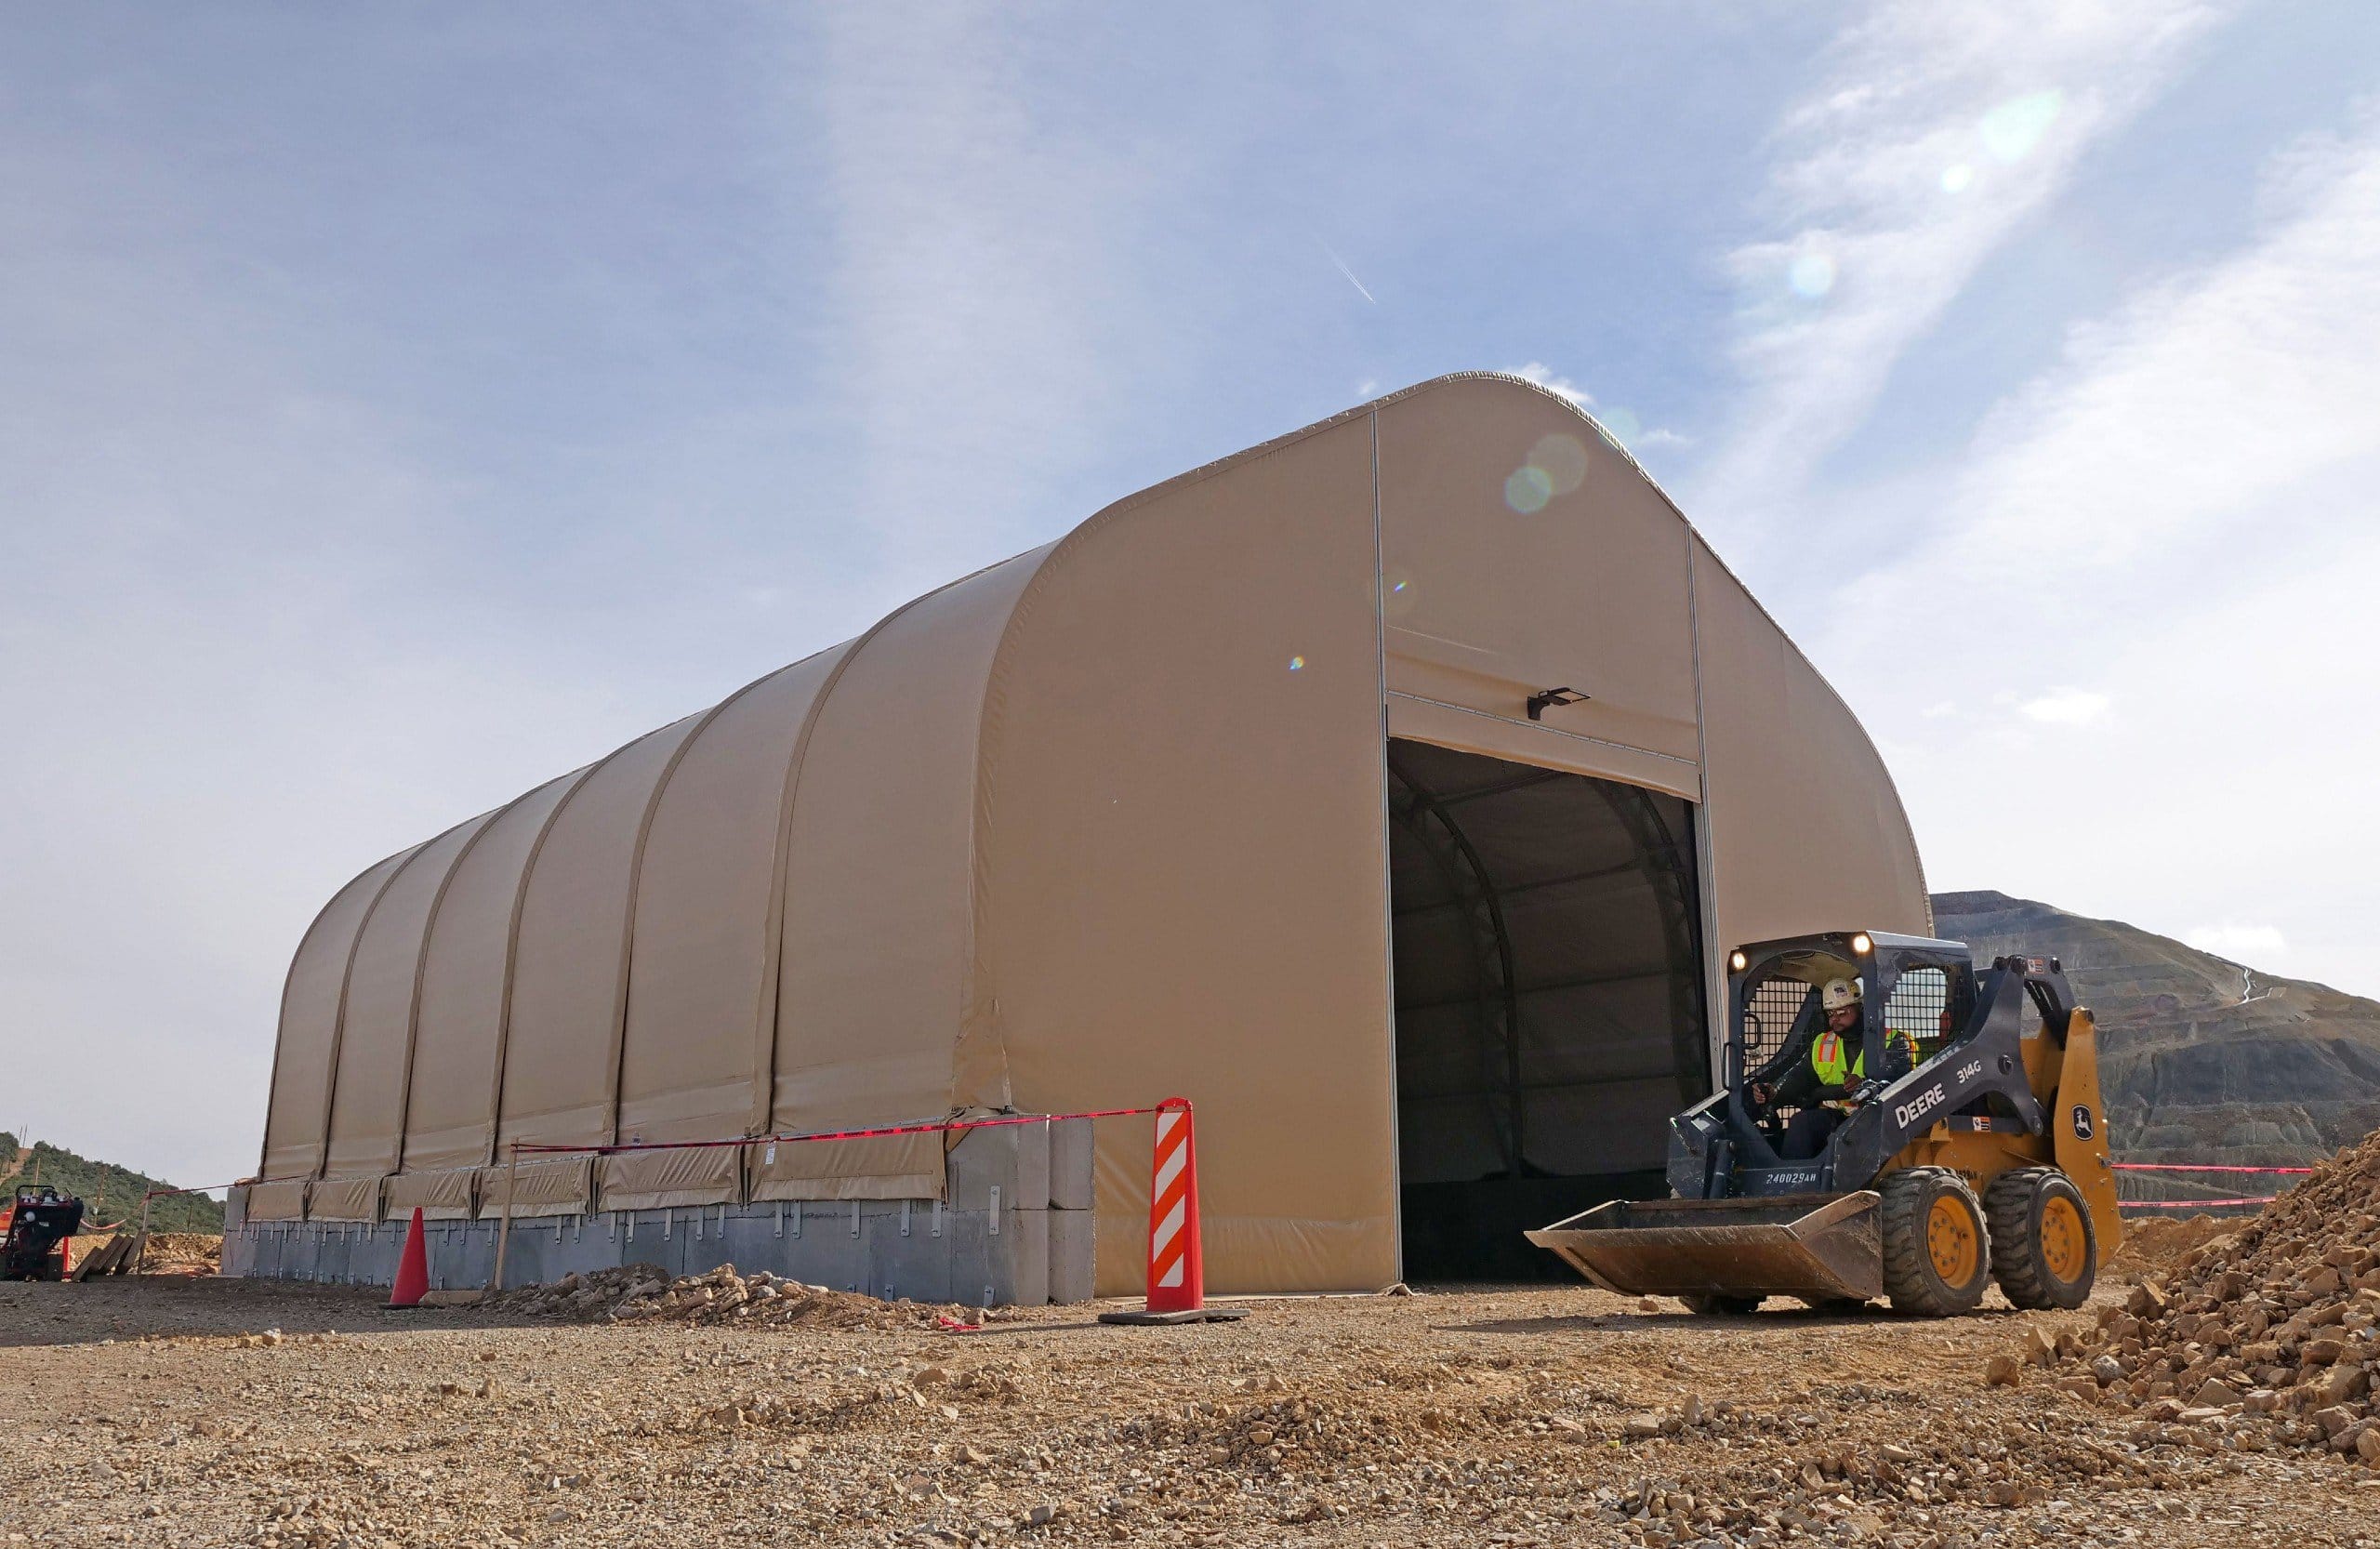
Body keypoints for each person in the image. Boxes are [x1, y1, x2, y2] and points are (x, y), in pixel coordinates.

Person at [1750, 977, 1918, 1161]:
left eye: (1841, 1012)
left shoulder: (1893, 1041)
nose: (1835, 1019)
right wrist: (1774, 1091)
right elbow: (1799, 1077)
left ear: (1861, 1008)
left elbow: (1898, 1079)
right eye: (1830, 1014)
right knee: (1801, 1122)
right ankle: (1794, 1182)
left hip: (1878, 1121)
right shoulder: (1823, 1043)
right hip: (1836, 1118)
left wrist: (1865, 1085)